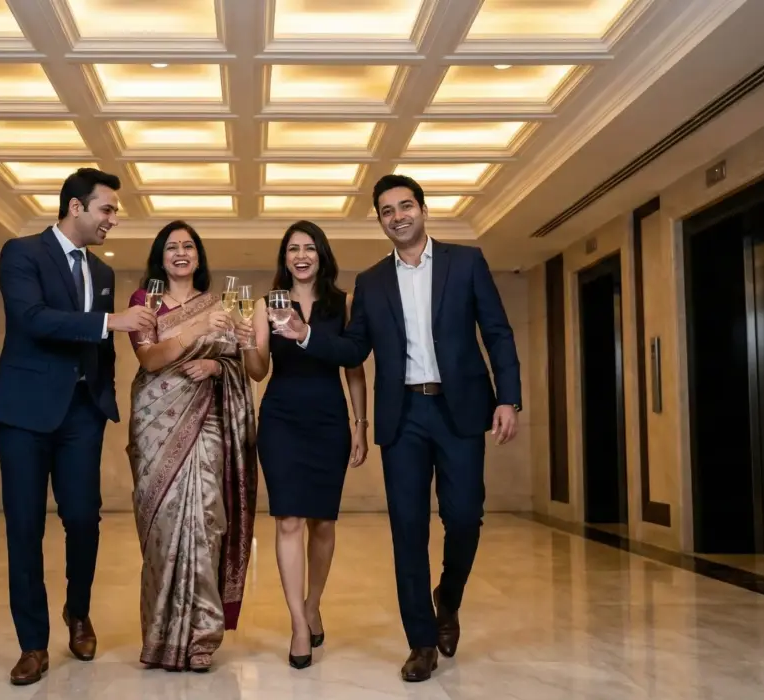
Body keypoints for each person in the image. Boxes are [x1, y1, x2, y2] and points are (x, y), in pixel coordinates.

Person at [274, 174, 521, 683]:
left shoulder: (465, 262)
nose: (398, 217)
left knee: (464, 518)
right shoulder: (372, 282)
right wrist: (305, 336)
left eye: (405, 206)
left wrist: (508, 397)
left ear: (423, 210)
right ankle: (421, 641)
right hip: (403, 415)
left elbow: (497, 331)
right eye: (387, 211)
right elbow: (353, 349)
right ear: (381, 221)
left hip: (459, 409)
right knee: (407, 529)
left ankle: (447, 597)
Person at [0, 168, 157, 686]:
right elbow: (32, 318)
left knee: (83, 518)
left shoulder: (102, 272)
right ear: (76, 208)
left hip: (82, 412)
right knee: (24, 526)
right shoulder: (21, 253)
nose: (113, 220)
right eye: (107, 209)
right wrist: (111, 321)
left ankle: (77, 612)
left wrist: (104, 395)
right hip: (24, 411)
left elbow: (100, 348)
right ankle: (32, 643)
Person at [125, 220, 258, 672]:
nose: (180, 252)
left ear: (199, 256)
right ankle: (159, 637)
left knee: (207, 521)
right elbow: (149, 358)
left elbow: (242, 363)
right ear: (160, 257)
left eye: (188, 246)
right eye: (171, 247)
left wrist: (217, 367)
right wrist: (197, 327)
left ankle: (202, 636)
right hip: (155, 423)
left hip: (208, 423)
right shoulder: (144, 301)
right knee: (162, 528)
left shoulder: (226, 302)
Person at [236, 221, 367, 669]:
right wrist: (246, 345)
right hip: (282, 420)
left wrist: (360, 424)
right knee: (288, 519)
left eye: (309, 248)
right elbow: (259, 370)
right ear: (285, 258)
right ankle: (297, 622)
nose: (301, 256)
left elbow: (353, 366)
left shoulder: (341, 303)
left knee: (323, 523)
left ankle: (313, 604)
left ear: (321, 254)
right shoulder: (266, 304)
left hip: (329, 418)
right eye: (293, 249)